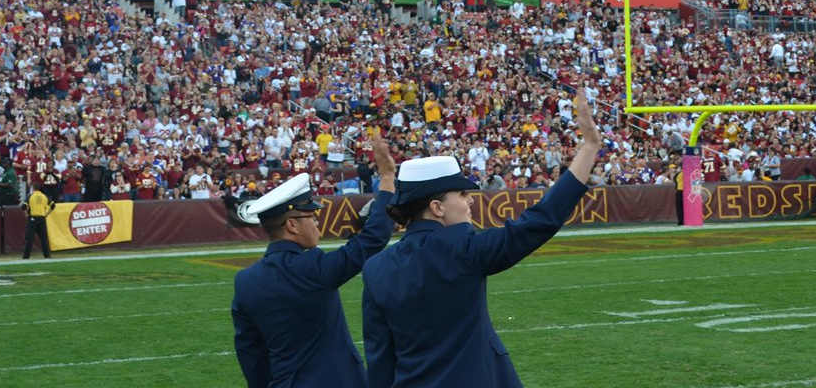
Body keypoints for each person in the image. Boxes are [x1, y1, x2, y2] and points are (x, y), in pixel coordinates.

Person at [361, 94, 602, 388]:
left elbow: (380, 363)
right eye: (462, 195)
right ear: (437, 208)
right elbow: (540, 221)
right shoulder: (464, 250)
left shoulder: (375, 269)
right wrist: (589, 148)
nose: (469, 202)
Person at [232, 138, 397, 388]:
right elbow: (372, 239)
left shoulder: (244, 281)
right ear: (292, 225)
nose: (317, 223)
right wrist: (386, 178)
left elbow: (250, 354)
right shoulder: (312, 266)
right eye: (311, 216)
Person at [23, 185, 54, 259]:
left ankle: (26, 256)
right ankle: (47, 256)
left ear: (33, 188)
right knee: (44, 239)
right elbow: (53, 205)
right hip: (42, 218)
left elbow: (23, 206)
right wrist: (47, 214)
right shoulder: (44, 196)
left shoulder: (30, 196)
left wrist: (26, 214)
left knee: (30, 238)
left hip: (33, 218)